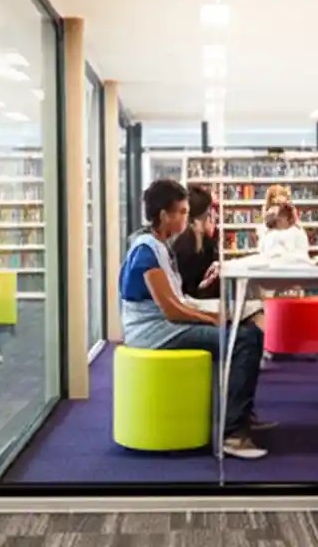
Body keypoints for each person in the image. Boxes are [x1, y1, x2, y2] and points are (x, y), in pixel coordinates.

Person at [119, 179, 271, 459]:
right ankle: (233, 433)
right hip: (155, 332)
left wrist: (211, 316)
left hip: (163, 325)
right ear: (165, 215)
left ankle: (240, 414)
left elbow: (177, 303)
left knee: (244, 327)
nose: (187, 218)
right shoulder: (146, 253)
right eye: (183, 212)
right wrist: (210, 319)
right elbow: (171, 310)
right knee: (246, 339)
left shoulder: (158, 245)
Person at [171, 184, 220, 299]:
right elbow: (188, 289)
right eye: (210, 212)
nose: (214, 215)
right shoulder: (184, 246)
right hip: (192, 304)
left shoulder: (206, 242)